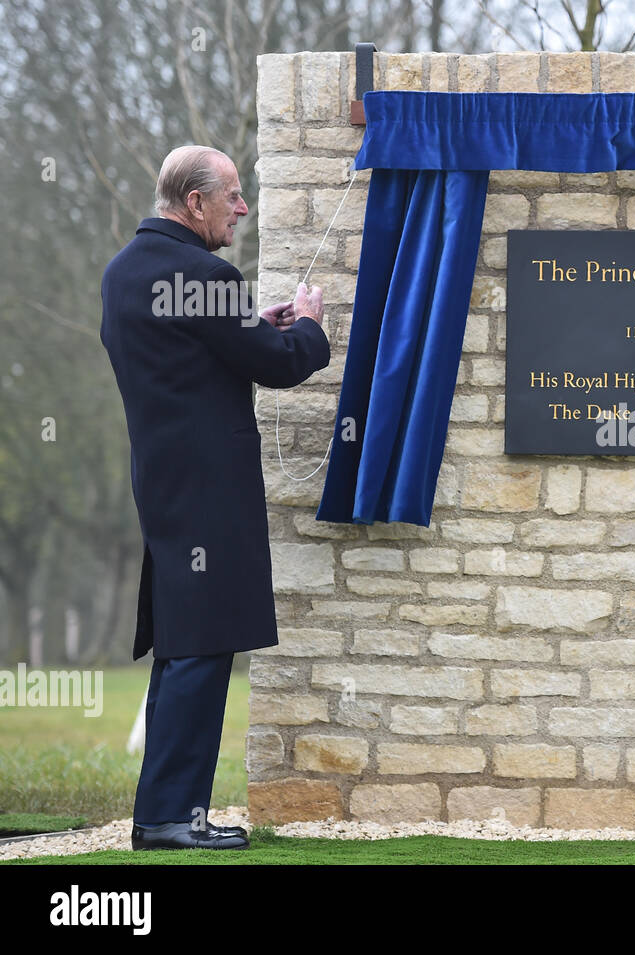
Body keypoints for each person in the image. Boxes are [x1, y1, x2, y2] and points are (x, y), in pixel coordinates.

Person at [100, 145, 330, 850]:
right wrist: (313, 325)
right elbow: (279, 363)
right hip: (212, 493)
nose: (243, 207)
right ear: (193, 202)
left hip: (164, 486)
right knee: (202, 649)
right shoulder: (206, 274)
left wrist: (249, 317)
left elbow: (193, 345)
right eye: (232, 194)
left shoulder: (123, 271)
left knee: (182, 647)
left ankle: (165, 811)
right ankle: (173, 819)